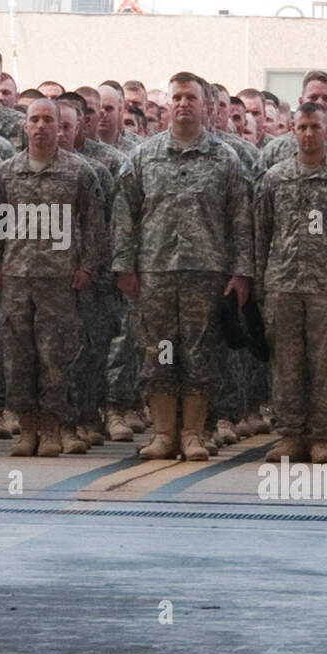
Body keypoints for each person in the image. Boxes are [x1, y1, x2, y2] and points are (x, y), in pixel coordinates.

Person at [113, 72, 255, 461]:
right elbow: (125, 214)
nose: (183, 104)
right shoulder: (143, 156)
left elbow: (241, 220)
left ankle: (193, 434)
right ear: (168, 104)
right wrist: (124, 266)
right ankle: (163, 433)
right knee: (160, 352)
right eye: (177, 97)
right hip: (155, 273)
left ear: (205, 106)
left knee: (199, 354)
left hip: (206, 274)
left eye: (191, 97)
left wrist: (242, 272)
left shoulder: (225, 159)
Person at [0, 98, 105, 456]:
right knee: (18, 357)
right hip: (17, 278)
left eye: (47, 121)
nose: (40, 126)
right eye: (34, 120)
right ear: (24, 126)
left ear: (60, 127)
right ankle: (28, 428)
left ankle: (54, 427)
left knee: (56, 357)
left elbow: (94, 224)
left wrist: (87, 266)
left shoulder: (79, 172)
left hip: (59, 279)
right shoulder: (5, 172)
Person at [255, 102, 327, 463]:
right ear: (292, 131)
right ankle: (290, 435)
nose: (308, 134)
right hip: (283, 286)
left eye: (315, 128)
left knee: (325, 365)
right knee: (286, 365)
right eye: (301, 127)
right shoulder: (274, 179)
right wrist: (260, 281)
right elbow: (259, 233)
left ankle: (322, 437)